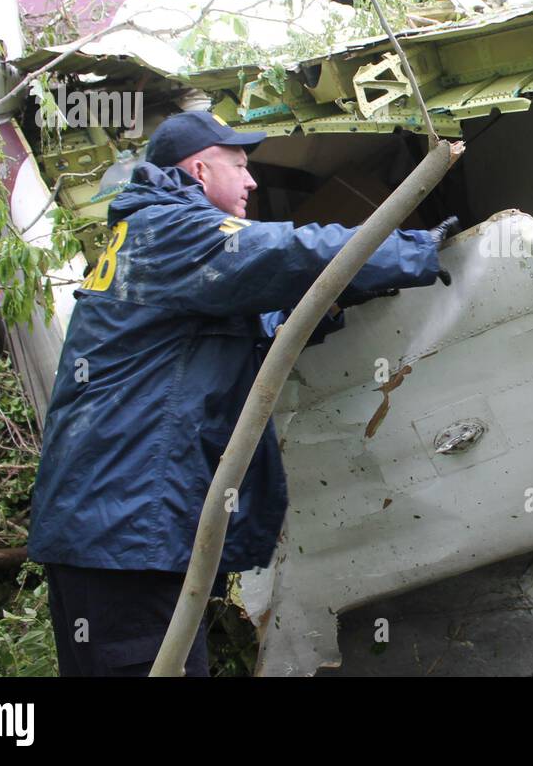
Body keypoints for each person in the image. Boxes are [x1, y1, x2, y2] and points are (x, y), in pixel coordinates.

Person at [27, 110, 462, 676]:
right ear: (201, 169)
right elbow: (286, 251)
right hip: (124, 529)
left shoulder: (151, 241)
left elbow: (259, 319)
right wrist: (407, 250)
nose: (253, 181)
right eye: (241, 165)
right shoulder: (173, 229)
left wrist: (340, 300)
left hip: (110, 525)